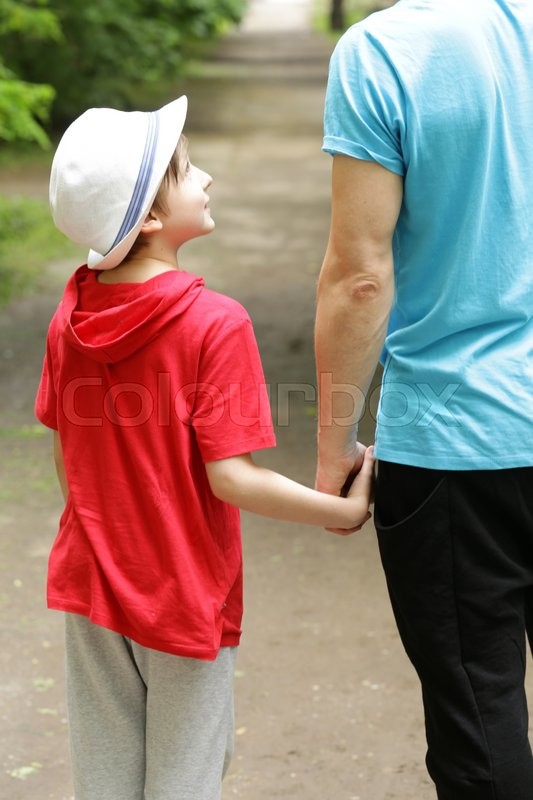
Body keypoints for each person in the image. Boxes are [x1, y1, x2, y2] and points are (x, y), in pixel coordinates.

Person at [34, 95, 374, 800]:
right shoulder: (212, 323)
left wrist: (101, 533)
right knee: (184, 777)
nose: (208, 178)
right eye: (188, 171)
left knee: (105, 776)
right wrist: (334, 511)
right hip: (181, 589)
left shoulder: (71, 315)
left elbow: (66, 456)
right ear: (151, 219)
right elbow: (231, 478)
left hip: (92, 578)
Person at [315, 1, 533, 798]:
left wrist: (333, 449)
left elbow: (359, 274)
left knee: (478, 715)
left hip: (454, 441)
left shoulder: (382, 52)